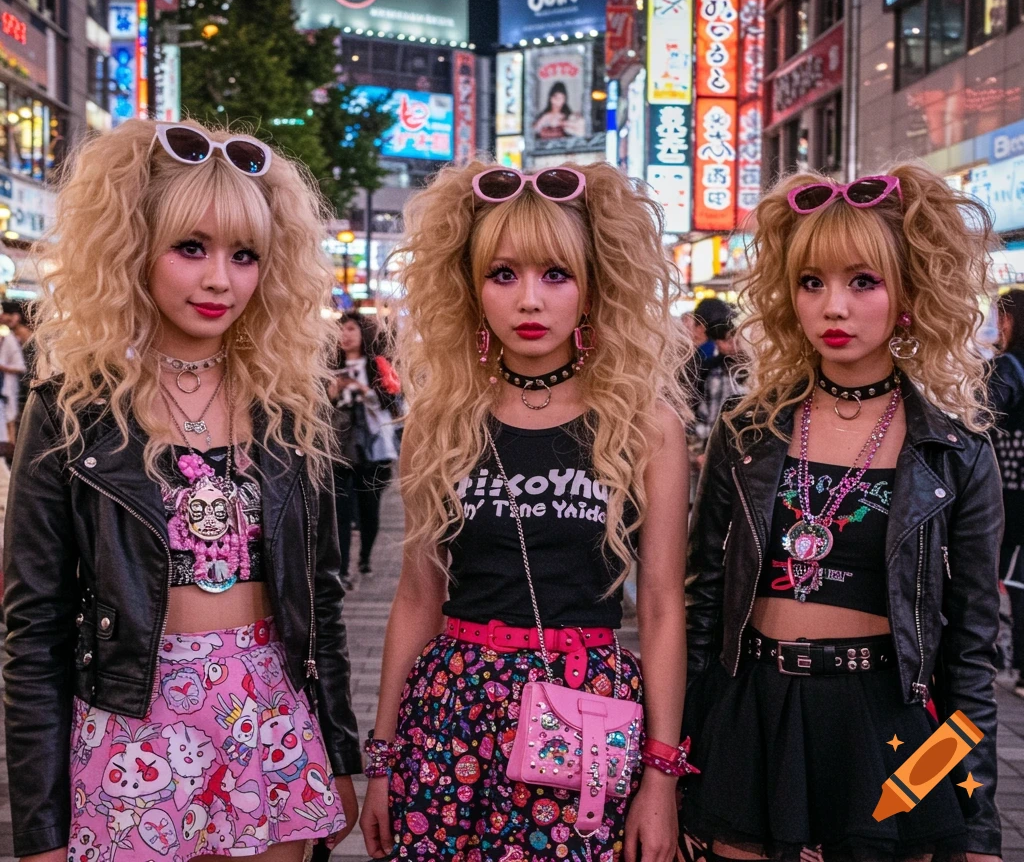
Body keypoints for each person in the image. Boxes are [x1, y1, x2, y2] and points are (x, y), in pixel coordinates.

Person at [3, 119, 361, 862]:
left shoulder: (290, 407)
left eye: (245, 256)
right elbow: (32, 626)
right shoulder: (74, 406)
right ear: (134, 248)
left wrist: (341, 749)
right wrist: (40, 824)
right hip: (134, 720)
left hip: (270, 714)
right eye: (190, 247)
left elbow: (320, 599)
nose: (218, 279)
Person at [359, 161, 692, 862]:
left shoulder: (644, 425)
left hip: (588, 710)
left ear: (594, 288)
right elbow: (418, 596)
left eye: (556, 274)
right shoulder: (439, 423)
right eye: (503, 274)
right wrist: (382, 761)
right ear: (471, 288)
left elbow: (662, 606)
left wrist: (661, 777)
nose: (529, 300)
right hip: (451, 712)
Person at [682, 168, 1003, 861]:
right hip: (752, 714)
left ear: (910, 293)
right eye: (811, 283)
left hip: (891, 723)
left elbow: (971, 655)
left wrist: (975, 817)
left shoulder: (956, 453)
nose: (835, 307)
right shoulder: (747, 433)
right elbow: (702, 607)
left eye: (864, 281)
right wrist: (681, 761)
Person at [328, 311, 401, 577]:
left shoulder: (378, 366)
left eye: (350, 329)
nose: (345, 335)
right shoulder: (330, 367)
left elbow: (393, 402)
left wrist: (362, 390)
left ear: (362, 333)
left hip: (374, 450)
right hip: (339, 450)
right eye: (341, 330)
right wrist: (331, 394)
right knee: (341, 513)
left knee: (370, 509)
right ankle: (343, 568)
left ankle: (365, 558)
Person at [987, 287, 1024, 696]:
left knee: (1003, 577)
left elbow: (980, 414)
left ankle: (993, 654)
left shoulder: (1008, 366)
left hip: (1010, 487)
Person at [690, 301, 747, 467]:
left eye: (728, 339)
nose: (723, 345)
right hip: (717, 452)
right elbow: (708, 415)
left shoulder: (756, 373)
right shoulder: (715, 371)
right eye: (719, 340)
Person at [0, 299, 25, 443]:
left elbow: (21, 366)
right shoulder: (10, 336)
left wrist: (3, 367)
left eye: (5, 313)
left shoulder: (15, 336)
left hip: (17, 387)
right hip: (11, 387)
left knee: (11, 420)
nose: (2, 317)